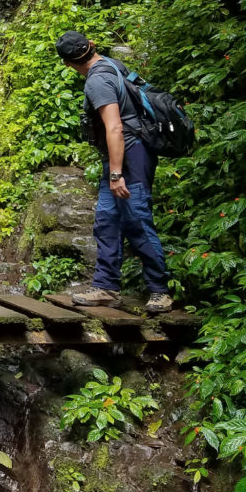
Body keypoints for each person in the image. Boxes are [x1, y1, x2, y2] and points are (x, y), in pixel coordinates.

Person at [55, 31, 173, 314]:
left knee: (136, 220)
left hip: (129, 155)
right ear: (91, 47)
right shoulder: (111, 64)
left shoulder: (97, 81)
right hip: (122, 155)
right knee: (107, 221)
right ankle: (106, 286)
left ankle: (160, 292)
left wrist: (117, 173)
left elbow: (115, 127)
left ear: (68, 63)